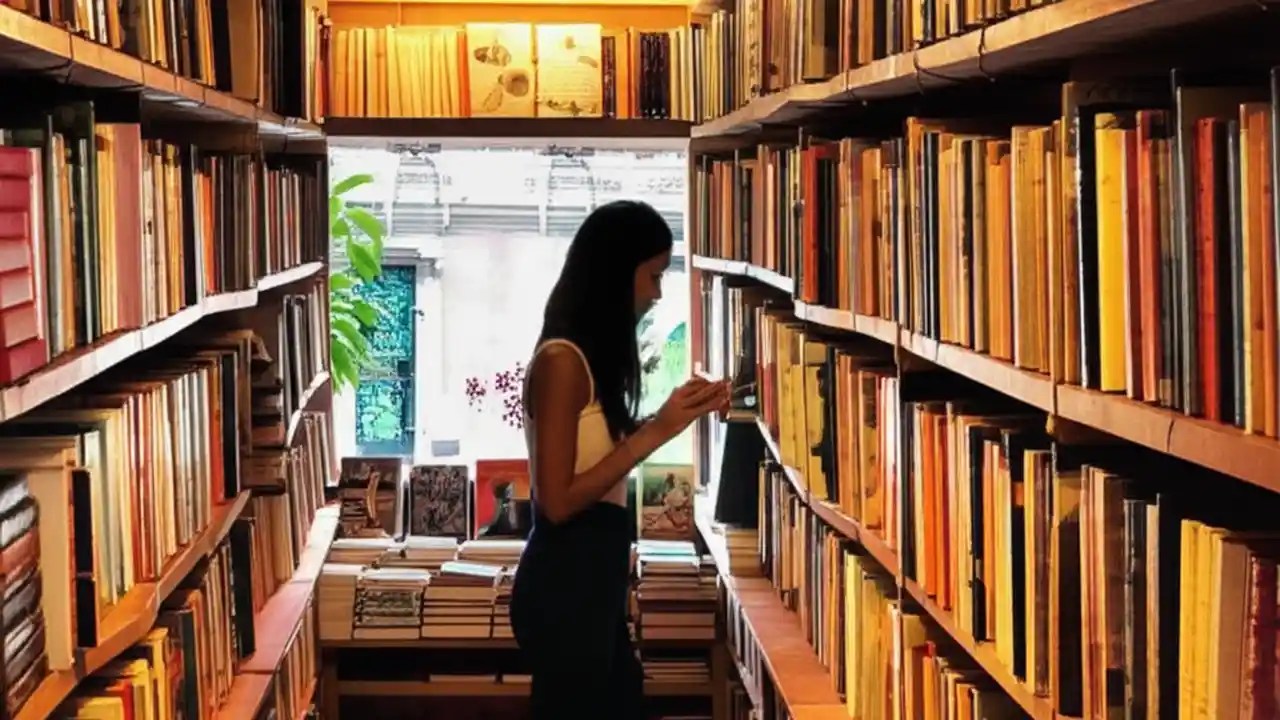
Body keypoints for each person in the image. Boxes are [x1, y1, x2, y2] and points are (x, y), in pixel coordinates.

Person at [509, 200, 729, 719]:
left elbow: (597, 456)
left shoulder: (585, 359)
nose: (656, 294)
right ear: (615, 271)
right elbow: (556, 502)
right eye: (653, 276)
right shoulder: (561, 362)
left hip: (591, 577)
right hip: (565, 582)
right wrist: (657, 430)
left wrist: (676, 412)